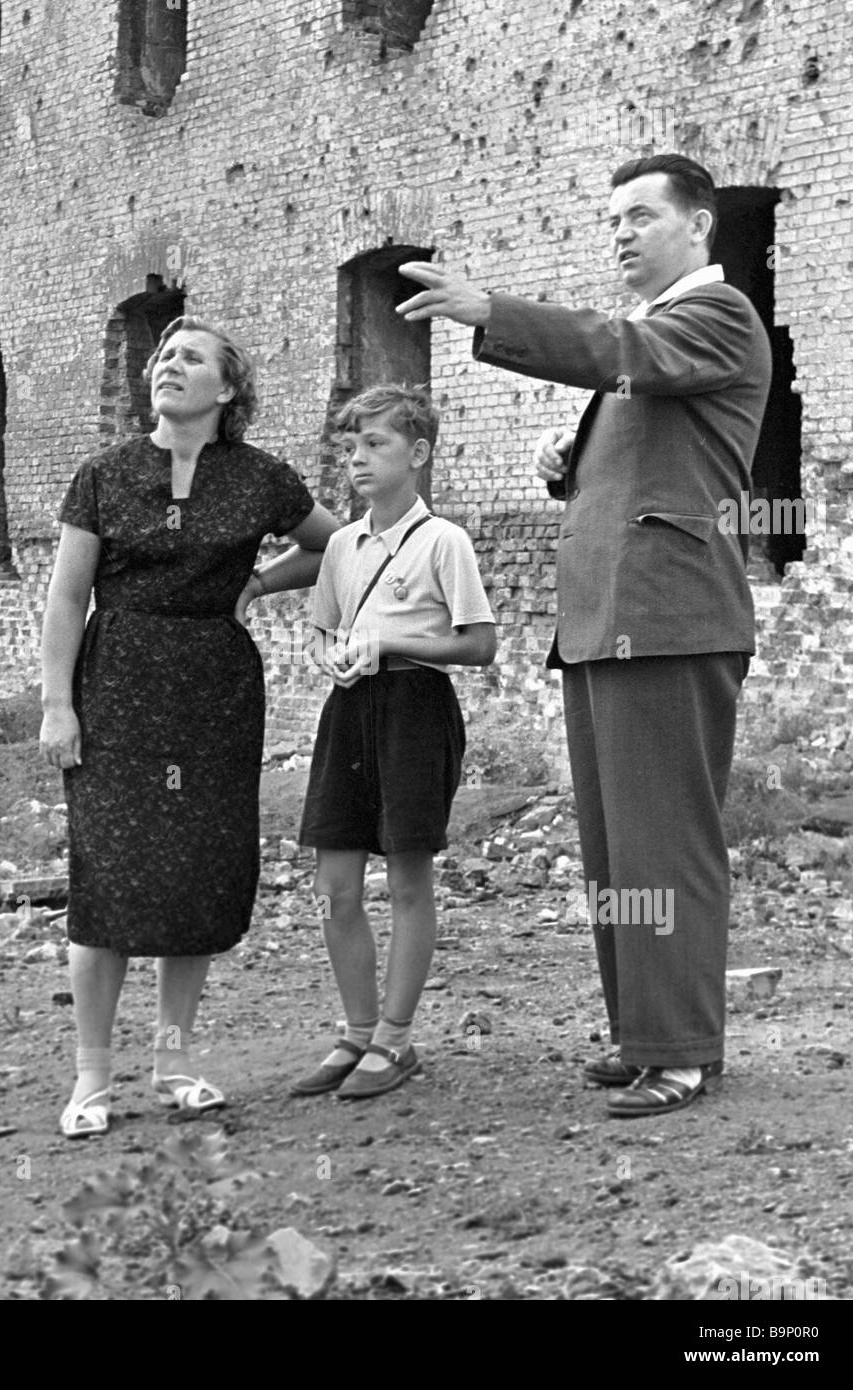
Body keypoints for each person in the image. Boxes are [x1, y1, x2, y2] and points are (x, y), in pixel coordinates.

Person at [396, 154, 772, 1117]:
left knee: (664, 845)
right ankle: (645, 1033)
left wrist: (492, 314)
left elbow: (621, 353)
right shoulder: (654, 337)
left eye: (641, 216)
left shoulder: (717, 316)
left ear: (698, 227)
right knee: (615, 853)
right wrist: (573, 460)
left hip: (670, 621)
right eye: (613, 219)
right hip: (608, 622)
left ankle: (682, 1050)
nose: (621, 233)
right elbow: (655, 438)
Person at [40, 315, 339, 1136]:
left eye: (191, 358)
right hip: (117, 686)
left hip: (214, 691)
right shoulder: (102, 474)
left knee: (195, 873)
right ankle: (91, 1080)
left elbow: (336, 547)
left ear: (228, 388)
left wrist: (261, 583)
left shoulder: (261, 479)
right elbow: (68, 597)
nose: (170, 366)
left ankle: (173, 1062)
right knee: (108, 877)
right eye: (164, 356)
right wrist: (57, 704)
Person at [292, 384, 497, 1101]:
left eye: (375, 444)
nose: (358, 460)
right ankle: (355, 1029)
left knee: (409, 878)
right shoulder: (343, 545)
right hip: (350, 711)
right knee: (334, 884)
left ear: (418, 454)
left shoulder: (443, 540)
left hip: (415, 705)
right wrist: (330, 655)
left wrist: (390, 640)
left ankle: (396, 1039)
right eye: (350, 447)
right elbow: (322, 628)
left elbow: (479, 644)